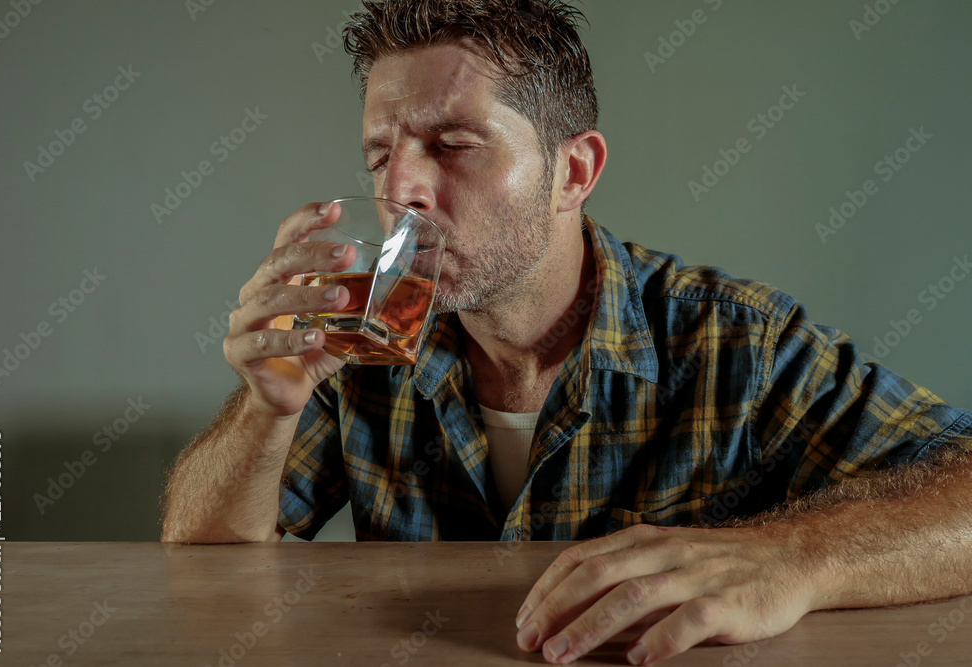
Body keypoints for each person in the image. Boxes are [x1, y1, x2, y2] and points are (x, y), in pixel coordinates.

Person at [161, 1, 972, 664]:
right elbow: (201, 572)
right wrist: (263, 408)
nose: (402, 186)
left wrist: (793, 556)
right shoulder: (362, 349)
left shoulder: (738, 346)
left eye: (453, 145)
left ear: (574, 172)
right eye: (380, 155)